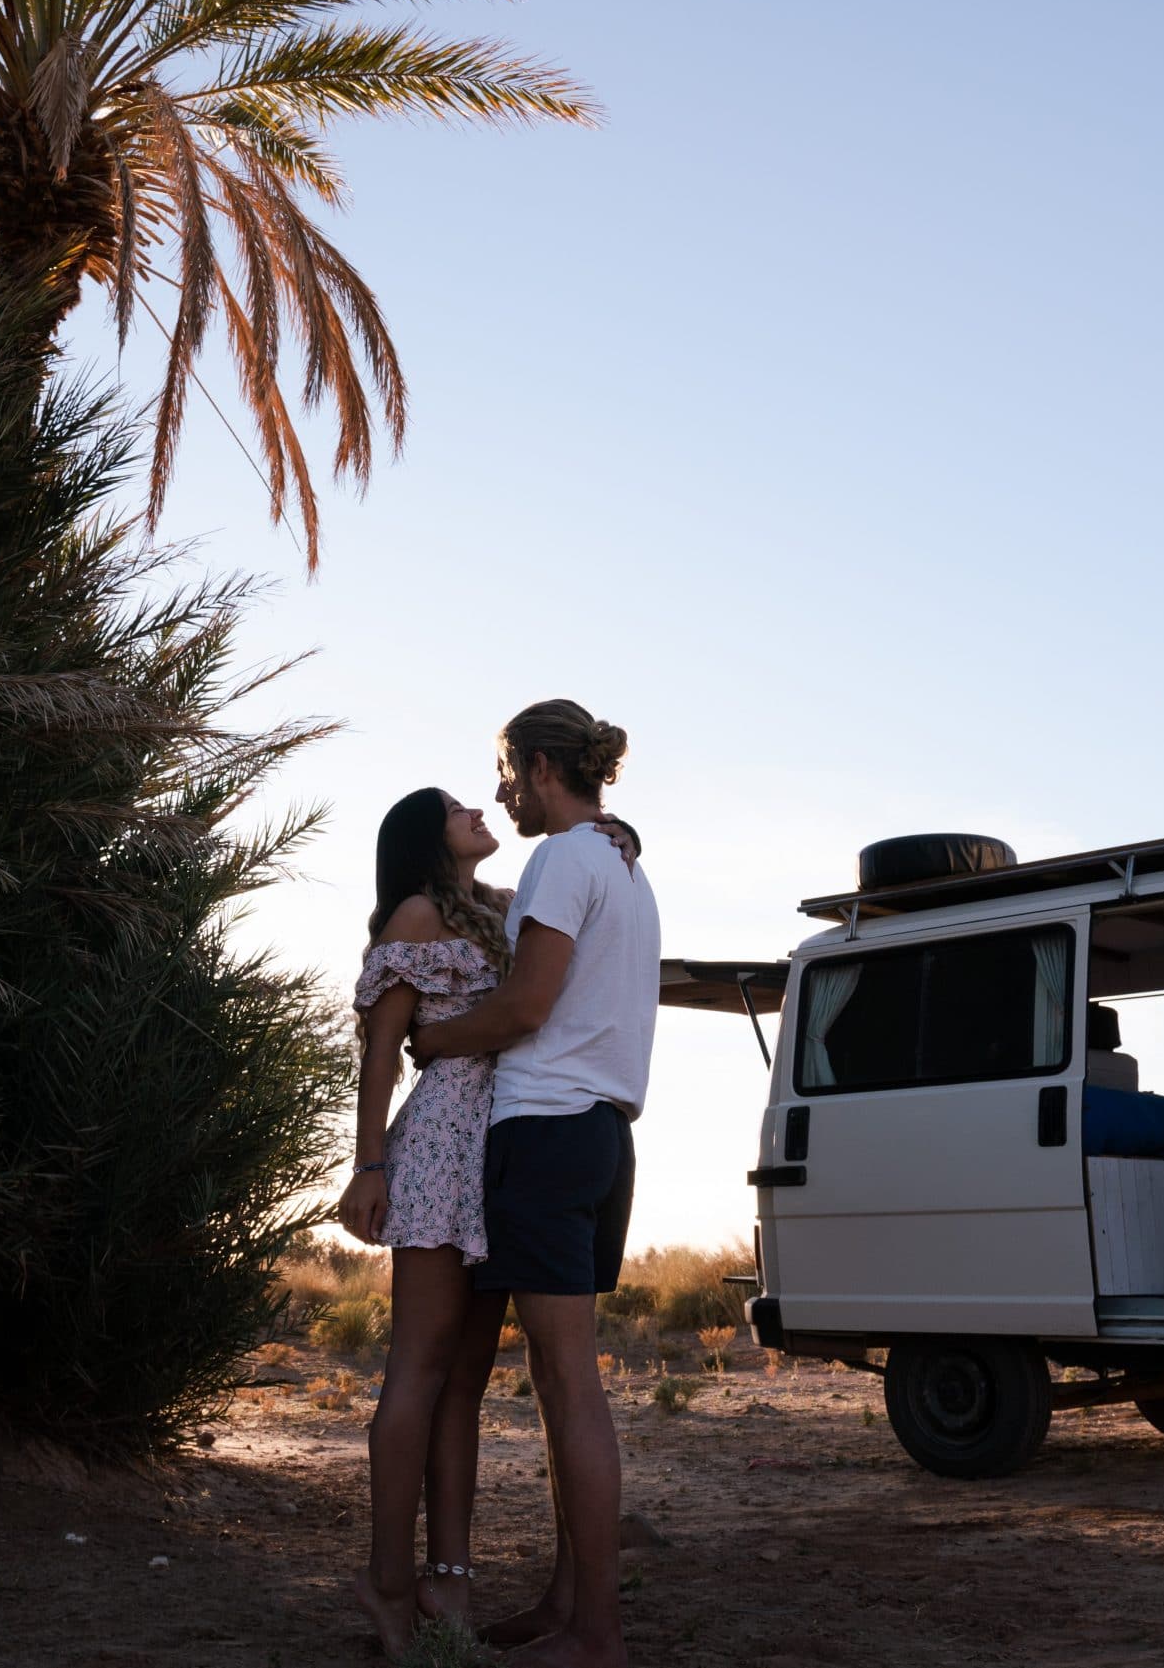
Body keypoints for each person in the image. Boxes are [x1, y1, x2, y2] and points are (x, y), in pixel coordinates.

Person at [338, 787, 636, 1658]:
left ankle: (450, 1580)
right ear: (427, 836)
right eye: (457, 806)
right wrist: (368, 1165)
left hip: (497, 1151)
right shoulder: (420, 913)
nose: (478, 807)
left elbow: (573, 904)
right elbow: (383, 1053)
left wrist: (617, 829)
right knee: (420, 1369)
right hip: (438, 1148)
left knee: (465, 1378)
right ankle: (388, 1581)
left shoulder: (496, 909)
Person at [410, 700, 660, 1668]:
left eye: (507, 769)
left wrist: (428, 1039)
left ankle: (595, 1631)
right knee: (564, 1382)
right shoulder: (615, 860)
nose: (501, 789)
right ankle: (567, 1600)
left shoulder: (566, 857)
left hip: (546, 1130)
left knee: (566, 1385)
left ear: (544, 764)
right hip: (598, 1136)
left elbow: (524, 1003)